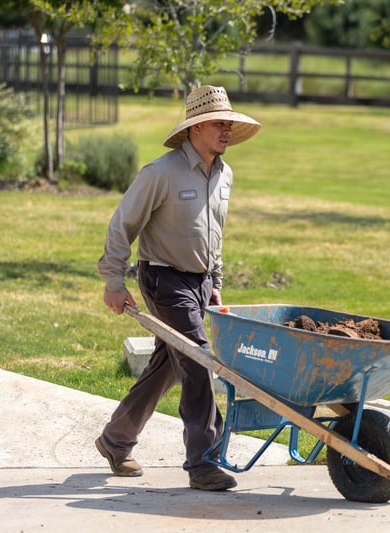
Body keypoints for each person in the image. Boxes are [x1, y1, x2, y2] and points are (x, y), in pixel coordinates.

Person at [95, 85, 261, 491]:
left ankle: (115, 441)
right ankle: (203, 462)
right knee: (199, 361)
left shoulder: (225, 174)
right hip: (163, 278)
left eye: (230, 124)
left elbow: (215, 233)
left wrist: (215, 282)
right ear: (196, 127)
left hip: (199, 282)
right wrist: (113, 281)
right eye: (220, 123)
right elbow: (122, 225)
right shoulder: (161, 173)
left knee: (168, 366)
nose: (226, 130)